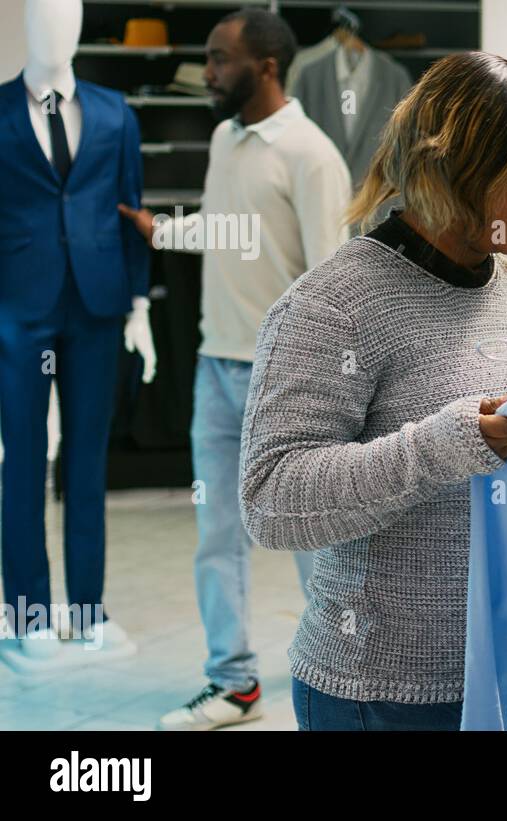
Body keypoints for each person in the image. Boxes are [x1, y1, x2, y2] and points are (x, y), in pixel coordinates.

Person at [238, 51, 507, 731]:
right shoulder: (334, 307)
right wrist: (446, 443)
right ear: (455, 156)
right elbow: (271, 498)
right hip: (393, 696)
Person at [118, 8, 352, 729]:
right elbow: (232, 230)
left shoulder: (312, 155)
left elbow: (331, 280)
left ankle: (341, 675)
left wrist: (321, 383)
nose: (210, 73)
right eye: (210, 59)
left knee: (313, 539)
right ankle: (233, 681)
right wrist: (167, 230)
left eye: (221, 60)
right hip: (213, 373)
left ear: (268, 67)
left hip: (281, 380)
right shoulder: (226, 138)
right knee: (216, 531)